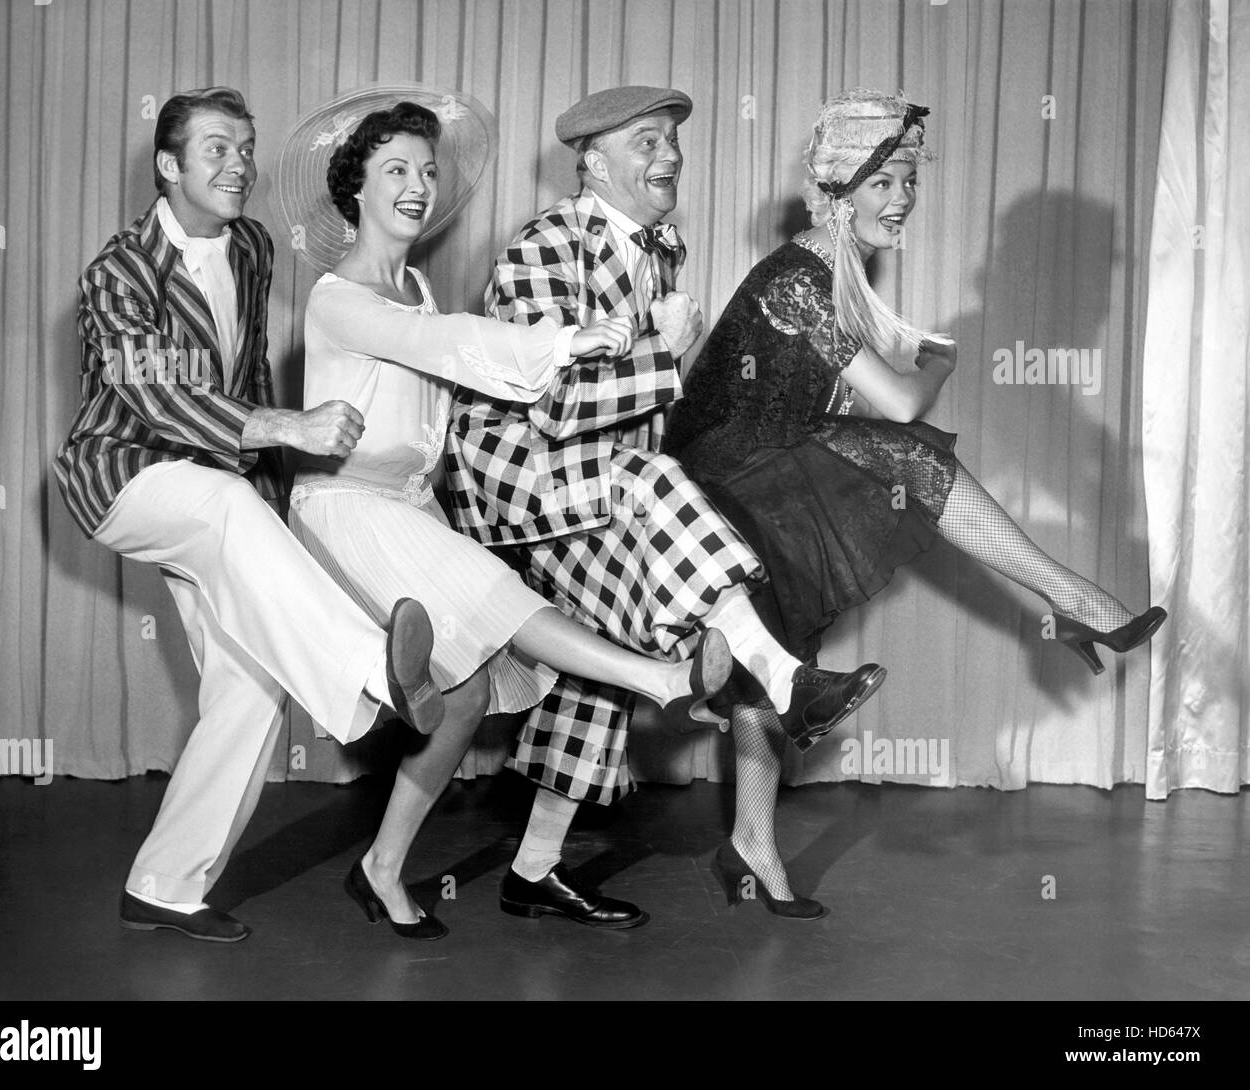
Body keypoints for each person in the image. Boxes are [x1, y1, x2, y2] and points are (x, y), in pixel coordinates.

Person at [663, 88, 1168, 915]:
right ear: (838, 188)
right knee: (899, 453)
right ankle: (1074, 597)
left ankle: (751, 842)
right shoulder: (796, 277)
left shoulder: (833, 275)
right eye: (884, 182)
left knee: (780, 661)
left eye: (908, 182)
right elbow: (898, 405)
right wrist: (939, 359)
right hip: (710, 488)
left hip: (765, 481)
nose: (902, 199)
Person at [274, 92, 733, 940]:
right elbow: (448, 345)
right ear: (355, 194)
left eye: (426, 168)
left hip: (414, 509)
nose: (417, 185)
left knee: (469, 693)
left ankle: (381, 862)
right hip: (344, 508)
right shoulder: (339, 298)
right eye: (394, 171)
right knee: (494, 601)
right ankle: (662, 681)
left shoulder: (412, 283)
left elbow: (447, 395)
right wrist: (566, 343)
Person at [446, 85, 886, 928]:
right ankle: (788, 683)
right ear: (594, 163)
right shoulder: (544, 245)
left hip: (600, 478)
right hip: (523, 481)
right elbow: (551, 406)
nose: (669, 157)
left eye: (673, 141)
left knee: (602, 657)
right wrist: (668, 358)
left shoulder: (662, 248)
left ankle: (532, 872)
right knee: (654, 492)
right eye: (646, 142)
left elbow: (636, 413)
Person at [53, 86, 448, 944]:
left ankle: (164, 884)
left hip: (221, 489)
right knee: (224, 500)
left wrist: (278, 482)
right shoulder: (117, 272)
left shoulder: (253, 247)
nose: (239, 165)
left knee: (252, 681)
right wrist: (282, 430)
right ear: (170, 167)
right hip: (127, 476)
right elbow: (155, 392)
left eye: (246, 147)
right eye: (217, 150)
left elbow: (248, 379)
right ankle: (379, 676)